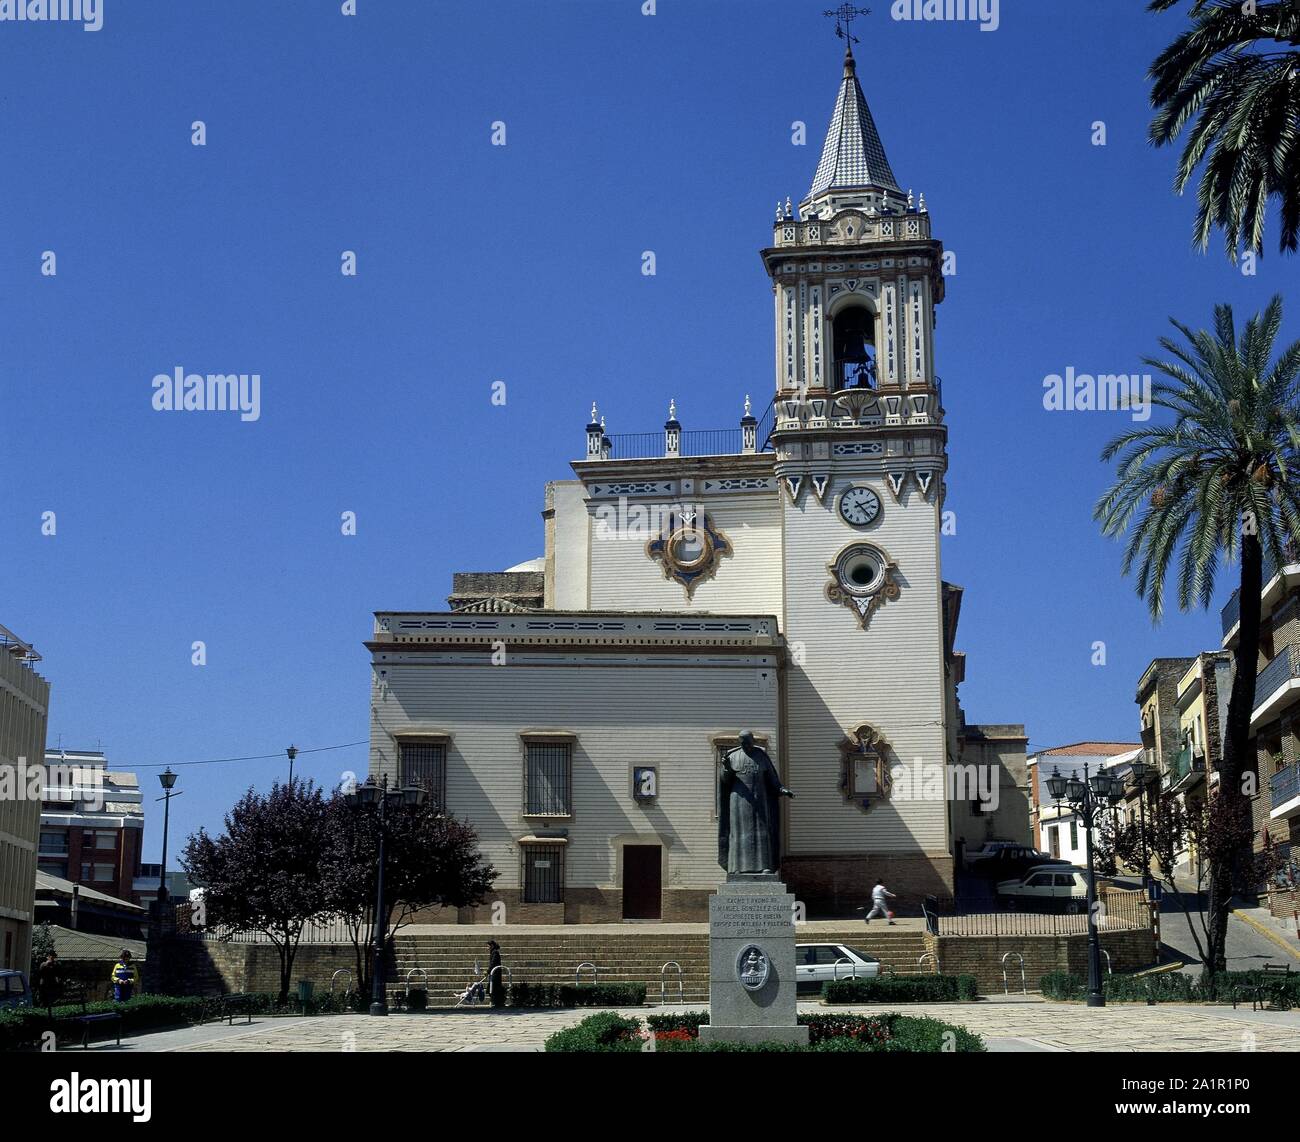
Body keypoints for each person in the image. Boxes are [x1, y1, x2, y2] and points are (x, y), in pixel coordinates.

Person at [487, 939, 504, 1008]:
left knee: (494, 987)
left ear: (492, 946)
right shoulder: (493, 952)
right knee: (492, 987)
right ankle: (495, 1001)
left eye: (488, 946)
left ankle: (496, 1002)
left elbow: (493, 963)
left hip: (495, 973)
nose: (487, 948)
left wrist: (488, 971)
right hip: (494, 972)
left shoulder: (495, 953)